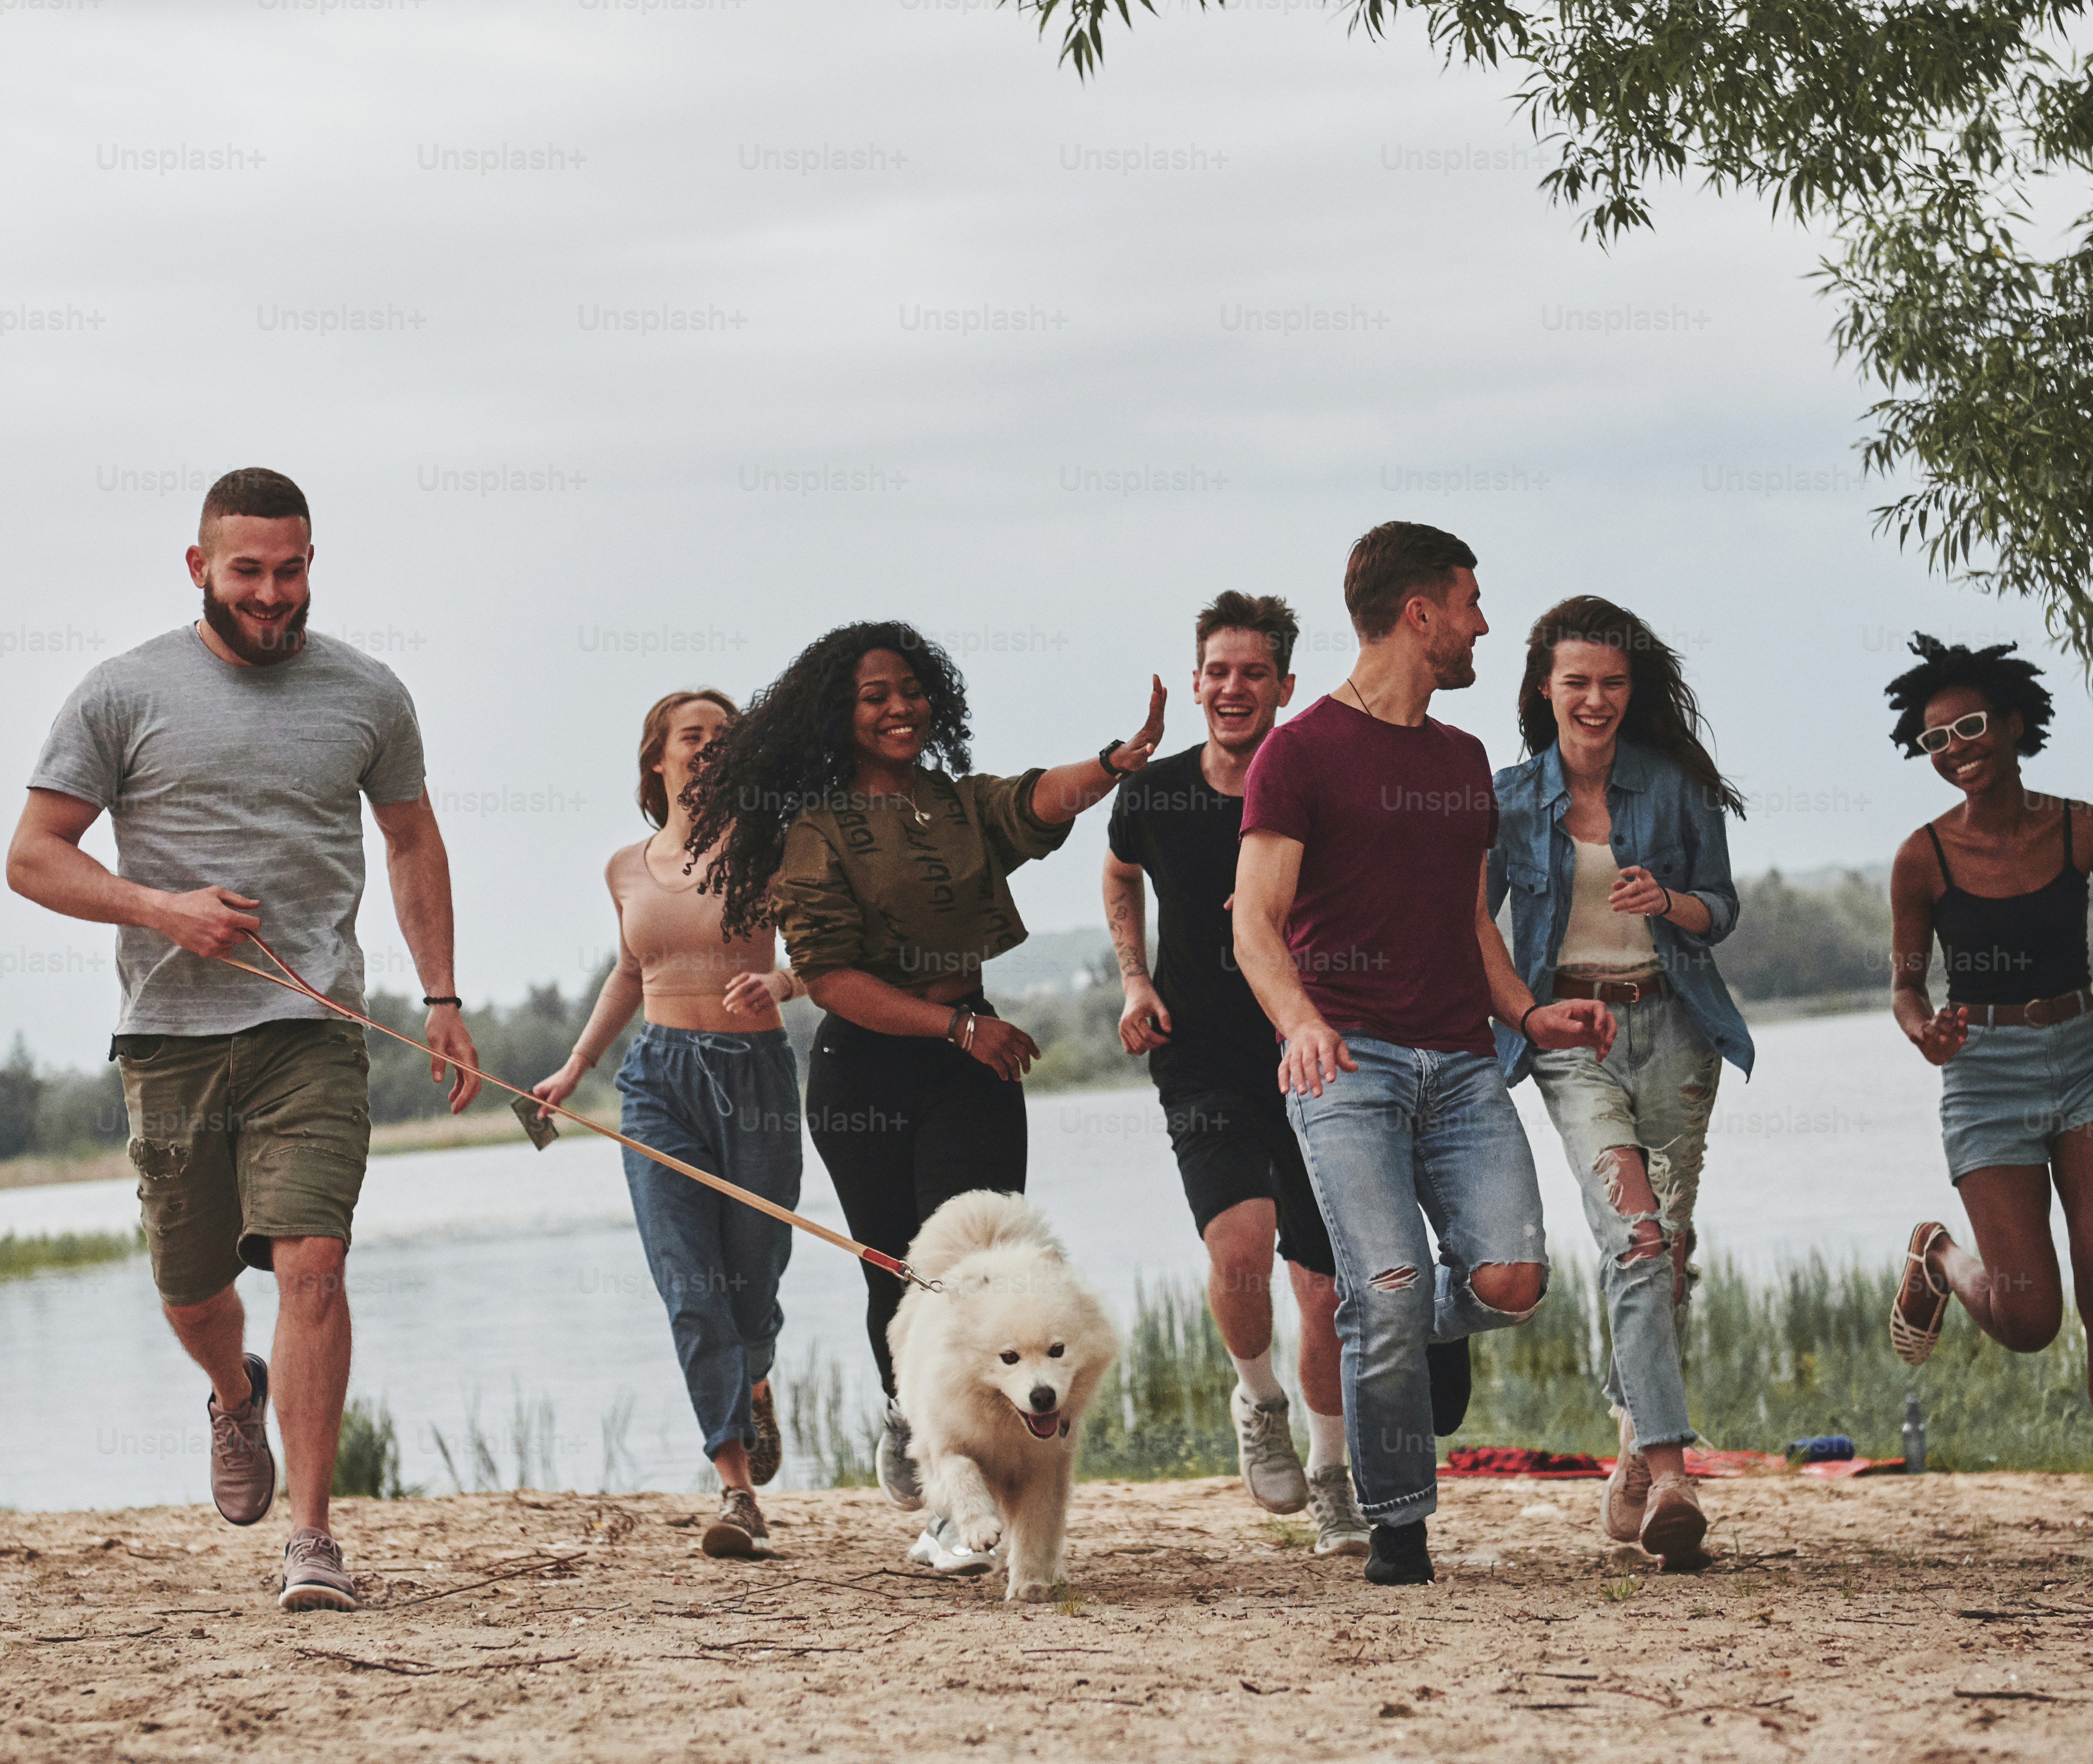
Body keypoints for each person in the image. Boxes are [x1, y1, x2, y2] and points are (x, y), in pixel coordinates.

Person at [5, 467, 479, 1614]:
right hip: (169, 1034)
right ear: (200, 568)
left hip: (314, 1022)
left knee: (314, 1262)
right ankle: (232, 1391)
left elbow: (412, 839)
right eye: (250, 572)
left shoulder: (368, 693)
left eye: (293, 568)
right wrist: (162, 909)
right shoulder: (124, 694)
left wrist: (442, 995)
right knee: (190, 1285)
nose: (273, 593)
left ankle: (312, 1537)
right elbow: (33, 855)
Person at [681, 619, 1163, 1577]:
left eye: (910, 690)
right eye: (874, 696)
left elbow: (1036, 799)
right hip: (867, 1067)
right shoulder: (817, 830)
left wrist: (1115, 759)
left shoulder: (957, 804)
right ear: (840, 716)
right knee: (899, 1279)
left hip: (971, 1067)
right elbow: (828, 978)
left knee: (984, 1274)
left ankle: (971, 1487)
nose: (898, 707)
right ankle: (929, 1445)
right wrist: (956, 1029)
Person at [1233, 522, 1617, 1587]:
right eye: (1469, 603)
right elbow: (1253, 928)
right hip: (1346, 1067)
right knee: (1390, 1290)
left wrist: (1529, 1016)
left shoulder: (1459, 763)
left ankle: (1386, 1323)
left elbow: (1469, 923)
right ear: (1419, 614)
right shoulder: (1297, 752)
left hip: (1458, 1066)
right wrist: (1301, 1023)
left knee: (1508, 1282)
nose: (1482, 624)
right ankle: (1397, 1522)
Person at [1878, 634, 2093, 1563]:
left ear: (2014, 725)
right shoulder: (1920, 858)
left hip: (2081, 1059)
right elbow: (1903, 984)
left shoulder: (2079, 828)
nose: (1957, 747)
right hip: (1981, 1076)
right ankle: (1940, 1256)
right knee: (2028, 1321)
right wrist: (1920, 1028)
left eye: (1971, 727)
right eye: (1936, 740)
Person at [1100, 590, 1367, 1558]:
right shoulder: (1153, 792)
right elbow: (1119, 870)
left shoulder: (1312, 786)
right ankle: (1258, 1401)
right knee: (1241, 1250)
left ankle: (1335, 1470)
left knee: (1327, 1292)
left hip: (1309, 1052)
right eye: (1217, 670)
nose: (1232, 688)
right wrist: (1134, 979)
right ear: (1198, 678)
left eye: (1253, 672)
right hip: (1199, 1056)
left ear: (1285, 686)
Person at [1489, 597, 1753, 1570]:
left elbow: (1718, 909)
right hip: (1571, 1035)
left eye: (1611, 683)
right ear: (1544, 690)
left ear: (1629, 690)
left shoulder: (1673, 788)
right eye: (1575, 683)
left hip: (1675, 1027)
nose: (1594, 700)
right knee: (1633, 1238)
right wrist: (1517, 1018)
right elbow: (1471, 925)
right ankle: (1673, 1472)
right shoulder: (1510, 799)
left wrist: (1668, 901)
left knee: (1666, 1254)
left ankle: (1629, 1459)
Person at [529, 689, 806, 1561]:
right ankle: (735, 1492)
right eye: (695, 737)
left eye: (727, 738)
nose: (712, 749)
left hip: (754, 1074)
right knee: (691, 1291)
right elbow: (626, 971)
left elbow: (819, 947)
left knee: (752, 1281)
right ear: (658, 757)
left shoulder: (770, 845)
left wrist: (783, 986)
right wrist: (574, 1069)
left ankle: (753, 1375)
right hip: (657, 1084)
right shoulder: (624, 867)